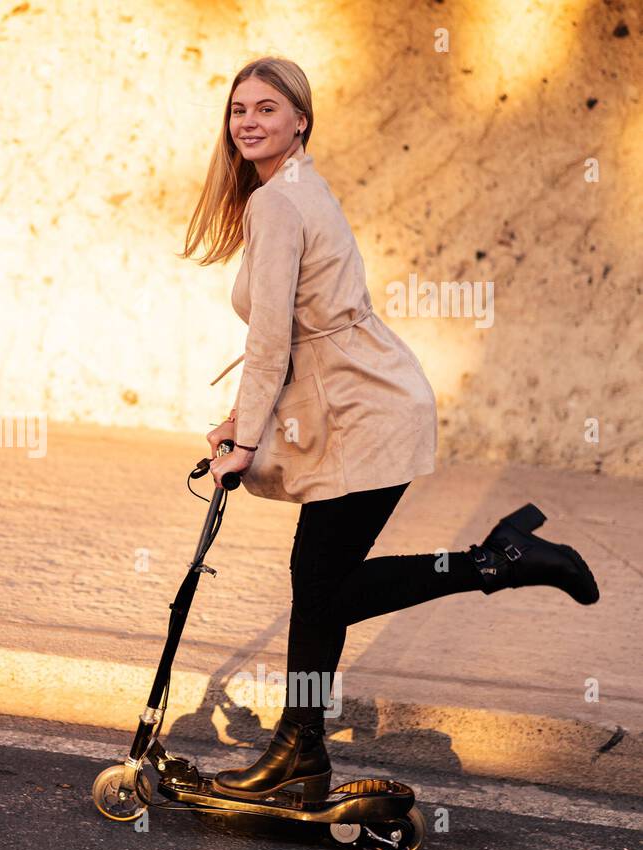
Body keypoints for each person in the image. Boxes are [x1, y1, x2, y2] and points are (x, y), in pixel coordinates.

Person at [178, 56, 600, 802]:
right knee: (321, 586)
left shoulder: (277, 201)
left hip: (364, 411)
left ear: (300, 120)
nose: (248, 121)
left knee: (323, 591)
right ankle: (300, 750)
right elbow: (295, 331)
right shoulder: (296, 188)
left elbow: (272, 334)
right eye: (239, 109)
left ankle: (498, 561)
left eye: (267, 108)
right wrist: (242, 420)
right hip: (363, 402)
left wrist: (244, 443)